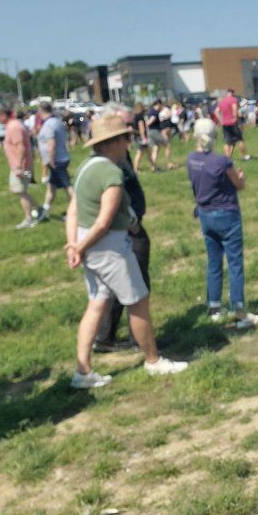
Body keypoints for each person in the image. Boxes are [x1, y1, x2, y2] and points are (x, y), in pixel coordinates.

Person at [64, 114, 187, 388]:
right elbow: (105, 221)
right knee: (138, 301)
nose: (129, 144)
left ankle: (82, 371)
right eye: (125, 138)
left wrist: (74, 244)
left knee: (96, 303)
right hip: (110, 247)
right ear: (111, 143)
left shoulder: (85, 167)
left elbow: (73, 210)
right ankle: (153, 361)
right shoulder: (111, 173)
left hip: (88, 244)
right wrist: (80, 246)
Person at [186, 118, 258, 329]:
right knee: (235, 264)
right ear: (215, 137)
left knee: (213, 262)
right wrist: (241, 178)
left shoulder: (191, 159)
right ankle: (239, 310)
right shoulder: (221, 161)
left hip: (205, 214)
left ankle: (214, 307)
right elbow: (238, 184)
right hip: (226, 214)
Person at [93, 105, 153, 354]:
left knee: (126, 282)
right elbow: (117, 195)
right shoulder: (109, 163)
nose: (130, 139)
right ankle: (138, 339)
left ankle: (109, 336)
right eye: (125, 134)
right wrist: (131, 222)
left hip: (127, 224)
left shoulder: (118, 156)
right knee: (134, 282)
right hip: (126, 228)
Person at [0, 106, 40, 230]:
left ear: (3, 115)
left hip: (20, 165)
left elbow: (21, 147)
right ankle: (39, 210)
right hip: (17, 165)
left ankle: (29, 218)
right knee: (18, 190)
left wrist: (19, 166)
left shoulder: (14, 127)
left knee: (21, 191)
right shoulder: (12, 126)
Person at [36, 102, 72, 220]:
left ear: (41, 111)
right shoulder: (57, 121)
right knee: (51, 185)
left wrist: (51, 161)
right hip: (62, 157)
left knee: (67, 186)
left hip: (56, 160)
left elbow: (51, 144)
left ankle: (77, 210)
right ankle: (45, 209)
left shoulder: (48, 125)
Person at [216, 88, 250, 161]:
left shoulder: (222, 101)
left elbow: (216, 112)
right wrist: (235, 118)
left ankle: (227, 158)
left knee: (228, 142)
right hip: (233, 123)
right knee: (240, 140)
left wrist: (221, 121)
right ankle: (245, 156)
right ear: (233, 93)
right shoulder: (233, 100)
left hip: (225, 124)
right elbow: (234, 109)